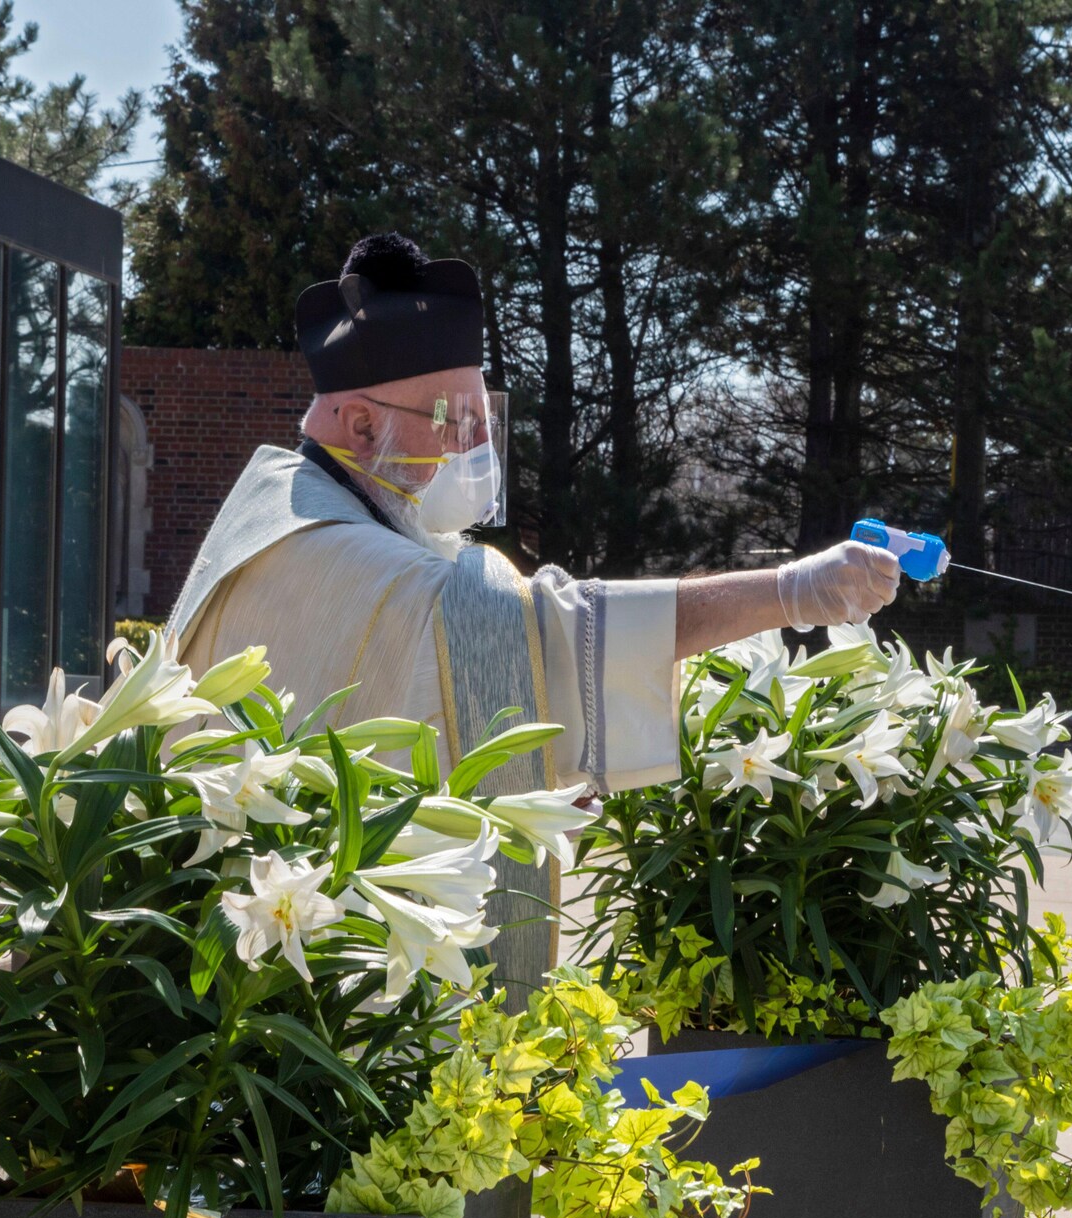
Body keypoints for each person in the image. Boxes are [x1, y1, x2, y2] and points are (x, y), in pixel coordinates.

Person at [167, 232, 902, 991]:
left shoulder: (325, 506)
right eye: (454, 420)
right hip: (267, 966)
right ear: (359, 426)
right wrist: (786, 593)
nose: (475, 444)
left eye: (484, 416)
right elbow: (545, 636)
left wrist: (538, 760)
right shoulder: (319, 550)